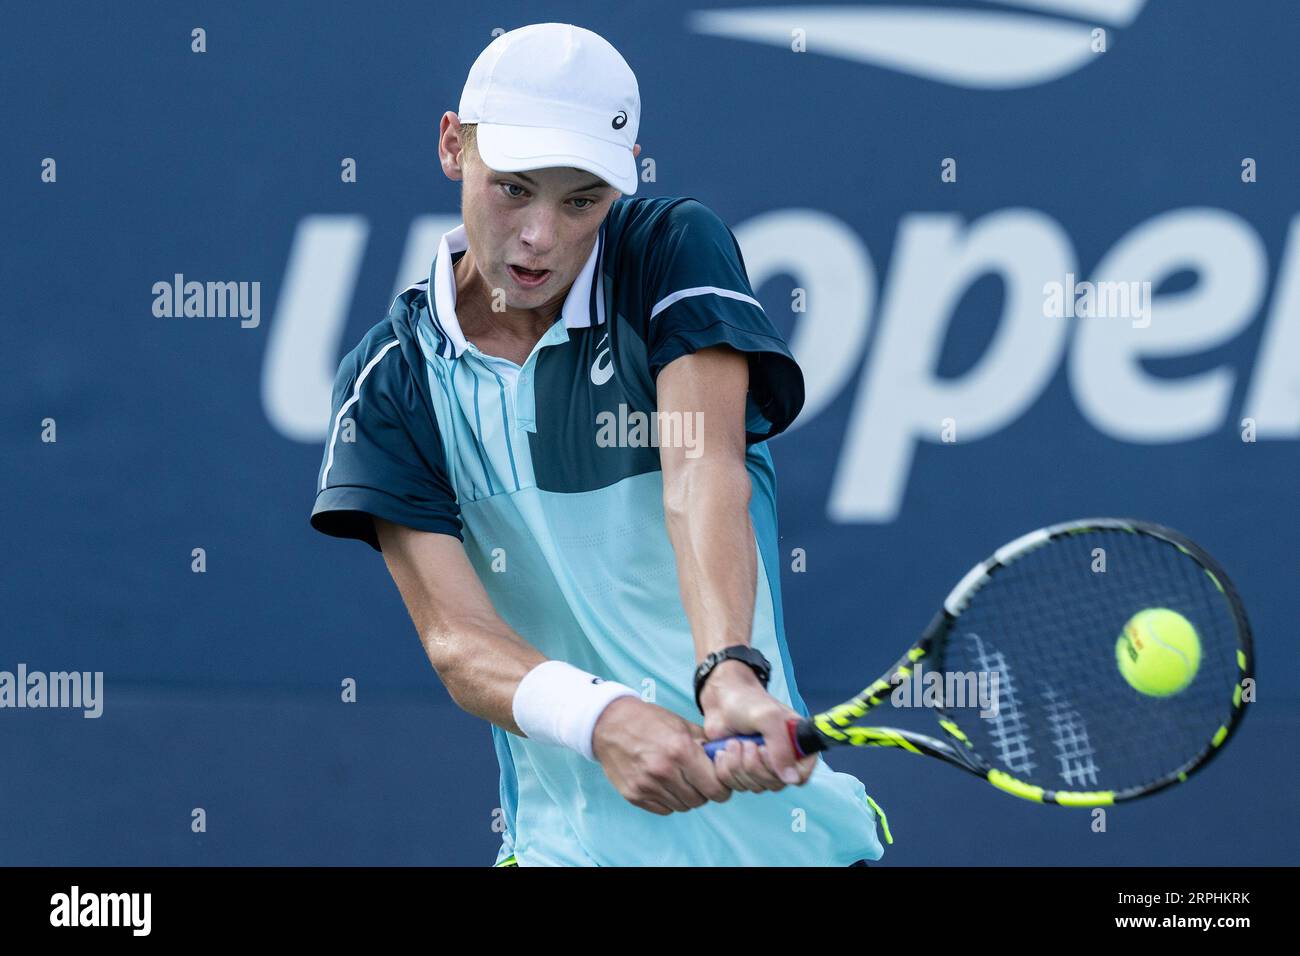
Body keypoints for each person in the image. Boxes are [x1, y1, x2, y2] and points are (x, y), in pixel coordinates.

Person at [310, 21, 887, 866]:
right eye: (512, 188)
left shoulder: (667, 251)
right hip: (563, 852)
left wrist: (728, 669)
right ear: (450, 145)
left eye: (581, 199)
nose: (541, 235)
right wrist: (602, 719)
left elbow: (700, 468)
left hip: (792, 850)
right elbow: (457, 640)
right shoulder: (391, 379)